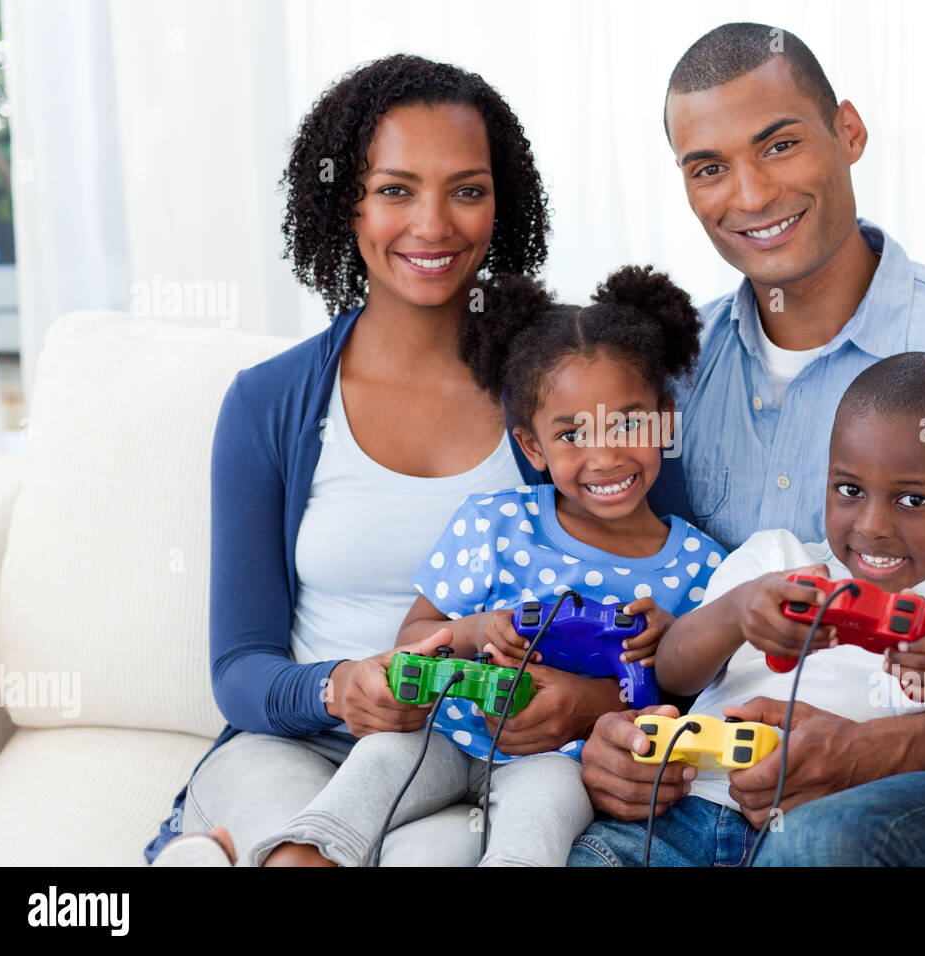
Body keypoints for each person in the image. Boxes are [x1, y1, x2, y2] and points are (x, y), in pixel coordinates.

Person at [575, 21, 925, 865]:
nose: (752, 194)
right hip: (725, 795)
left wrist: (877, 748)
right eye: (709, 168)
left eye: (779, 145)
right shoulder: (671, 376)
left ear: (849, 131)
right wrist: (613, 731)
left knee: (821, 840)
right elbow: (659, 620)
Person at [146, 54, 686, 866]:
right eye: (396, 189)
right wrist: (338, 686)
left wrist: (586, 704)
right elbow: (239, 667)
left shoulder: (575, 389)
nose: (433, 225)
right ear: (346, 203)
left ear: (500, 204)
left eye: (466, 190)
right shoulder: (271, 403)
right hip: (305, 749)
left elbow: (663, 597)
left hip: (491, 766)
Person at [240, 267, 727, 867]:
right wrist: (480, 630)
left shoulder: (703, 566)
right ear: (531, 447)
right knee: (379, 761)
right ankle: (303, 855)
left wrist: (668, 643)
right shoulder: (494, 523)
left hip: (558, 762)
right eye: (571, 433)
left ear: (665, 419)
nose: (605, 455)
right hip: (443, 736)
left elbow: (696, 695)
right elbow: (415, 637)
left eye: (627, 422)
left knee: (545, 817)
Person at [570, 353, 925, 865]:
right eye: (849, 490)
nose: (872, 524)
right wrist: (737, 613)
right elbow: (675, 670)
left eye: (913, 501)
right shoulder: (774, 558)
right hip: (682, 813)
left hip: (818, 832)